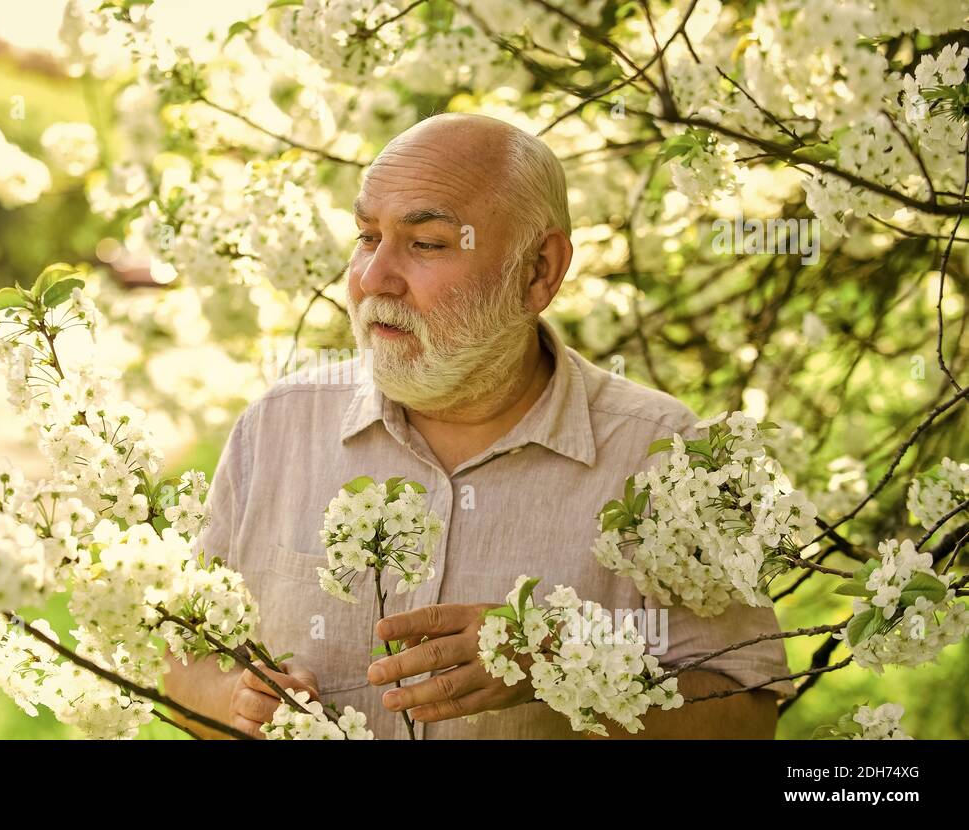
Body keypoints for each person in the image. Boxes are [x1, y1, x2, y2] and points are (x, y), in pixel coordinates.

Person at [166, 113, 793, 739]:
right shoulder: (277, 427)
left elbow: (745, 718)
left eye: (428, 244)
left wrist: (556, 664)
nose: (372, 279)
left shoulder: (666, 456)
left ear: (538, 270)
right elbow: (183, 657)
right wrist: (234, 706)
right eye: (366, 236)